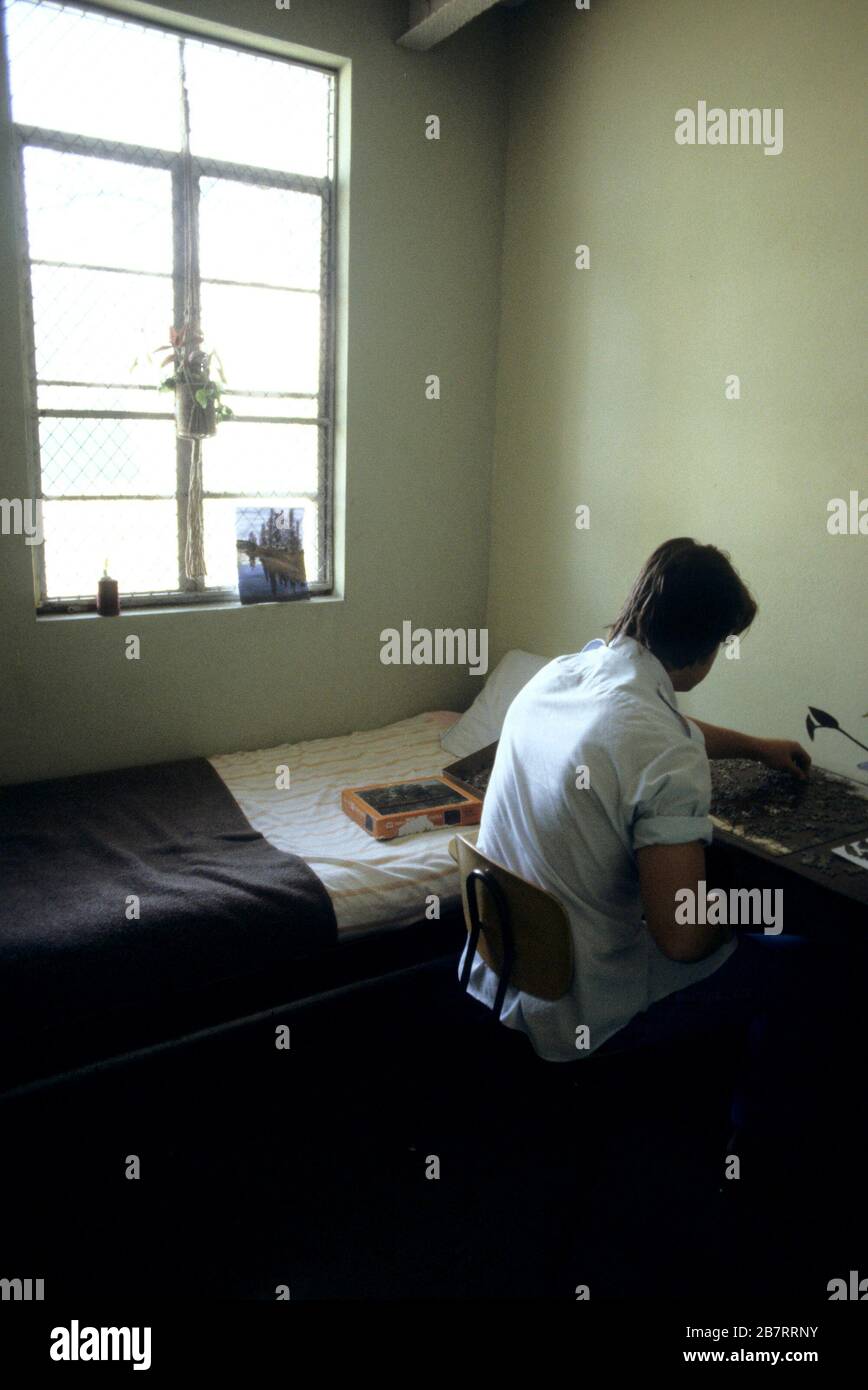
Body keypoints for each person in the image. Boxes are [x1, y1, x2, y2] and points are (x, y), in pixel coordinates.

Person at [460, 538, 861, 1177]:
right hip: (582, 1005)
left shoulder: (557, 678)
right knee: (799, 960)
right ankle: (754, 1158)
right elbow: (679, 939)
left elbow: (654, 724)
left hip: (505, 959)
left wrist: (755, 747)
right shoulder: (659, 745)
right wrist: (746, 912)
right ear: (707, 652)